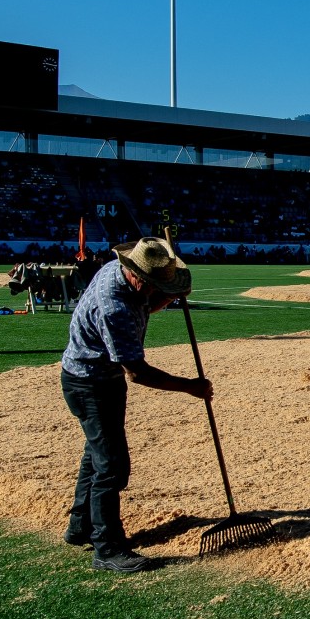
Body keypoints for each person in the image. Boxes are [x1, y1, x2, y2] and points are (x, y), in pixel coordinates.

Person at [60, 238, 213, 572]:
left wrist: (169, 294)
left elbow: (146, 302)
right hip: (89, 382)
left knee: (96, 452)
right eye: (153, 285)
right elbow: (139, 373)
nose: (153, 292)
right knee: (111, 464)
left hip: (101, 377)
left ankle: (79, 526)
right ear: (136, 275)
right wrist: (190, 387)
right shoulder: (113, 305)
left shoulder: (120, 275)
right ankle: (107, 547)